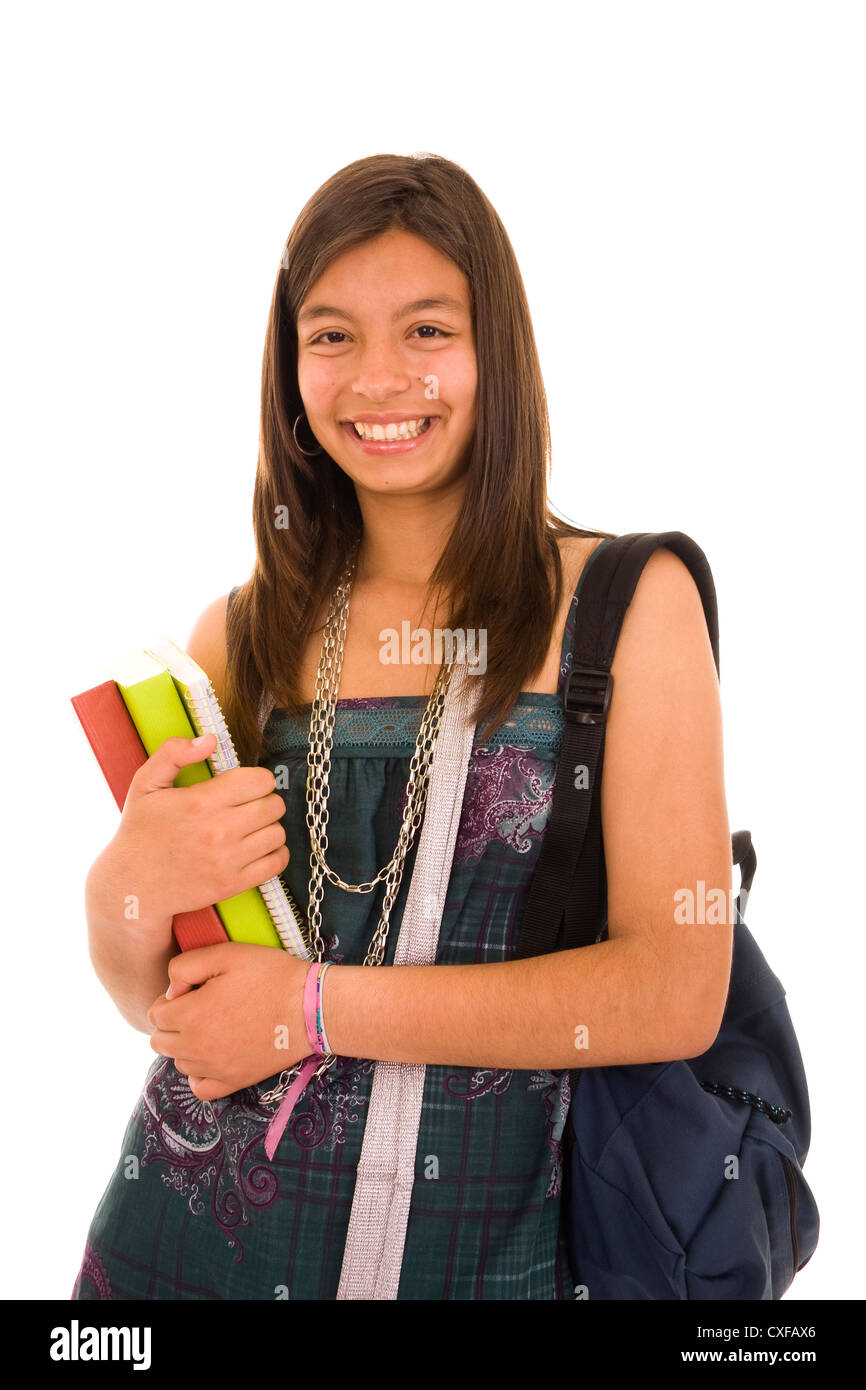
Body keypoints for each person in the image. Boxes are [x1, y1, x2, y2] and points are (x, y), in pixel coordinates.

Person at [72, 153, 733, 1301]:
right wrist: (121, 887)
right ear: (289, 368)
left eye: (426, 329)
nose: (378, 379)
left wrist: (315, 1009)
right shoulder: (240, 634)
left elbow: (676, 986)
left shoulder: (628, 605)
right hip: (188, 1260)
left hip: (488, 1259)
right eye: (330, 336)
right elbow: (172, 1011)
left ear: (497, 353)